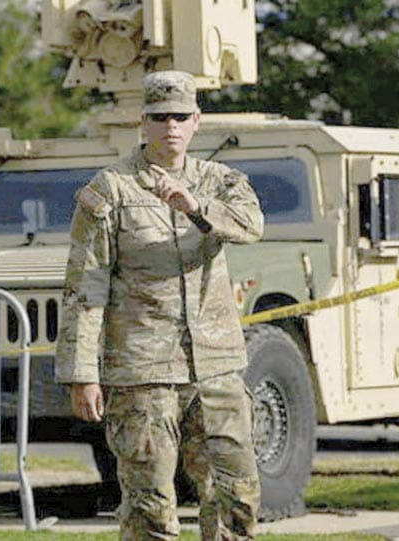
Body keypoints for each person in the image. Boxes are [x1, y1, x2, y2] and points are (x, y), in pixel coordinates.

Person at [55, 70, 264, 540]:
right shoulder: (110, 190)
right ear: (142, 122)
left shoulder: (220, 180)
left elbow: (252, 225)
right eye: (159, 116)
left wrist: (195, 208)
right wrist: (82, 373)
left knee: (237, 497)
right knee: (150, 505)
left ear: (196, 121)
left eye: (180, 116)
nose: (170, 126)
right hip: (143, 371)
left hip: (216, 365)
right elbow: (85, 286)